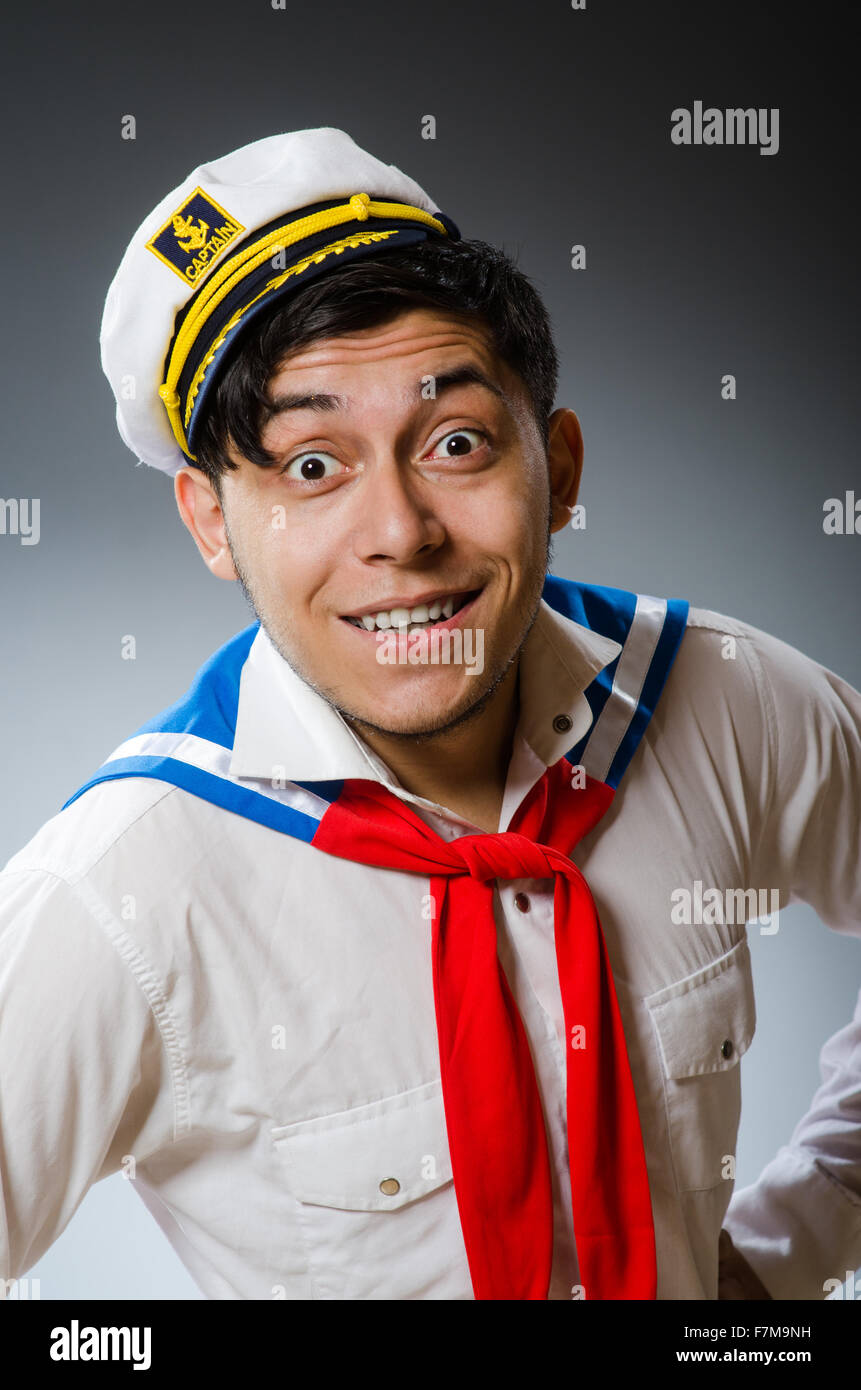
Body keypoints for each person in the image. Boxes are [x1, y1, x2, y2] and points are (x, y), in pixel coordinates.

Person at [0, 127, 858, 1301]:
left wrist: (795, 1247)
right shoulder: (125, 890)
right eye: (312, 465)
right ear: (211, 521)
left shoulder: (728, 701)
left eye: (455, 441)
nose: (400, 531)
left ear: (556, 461)